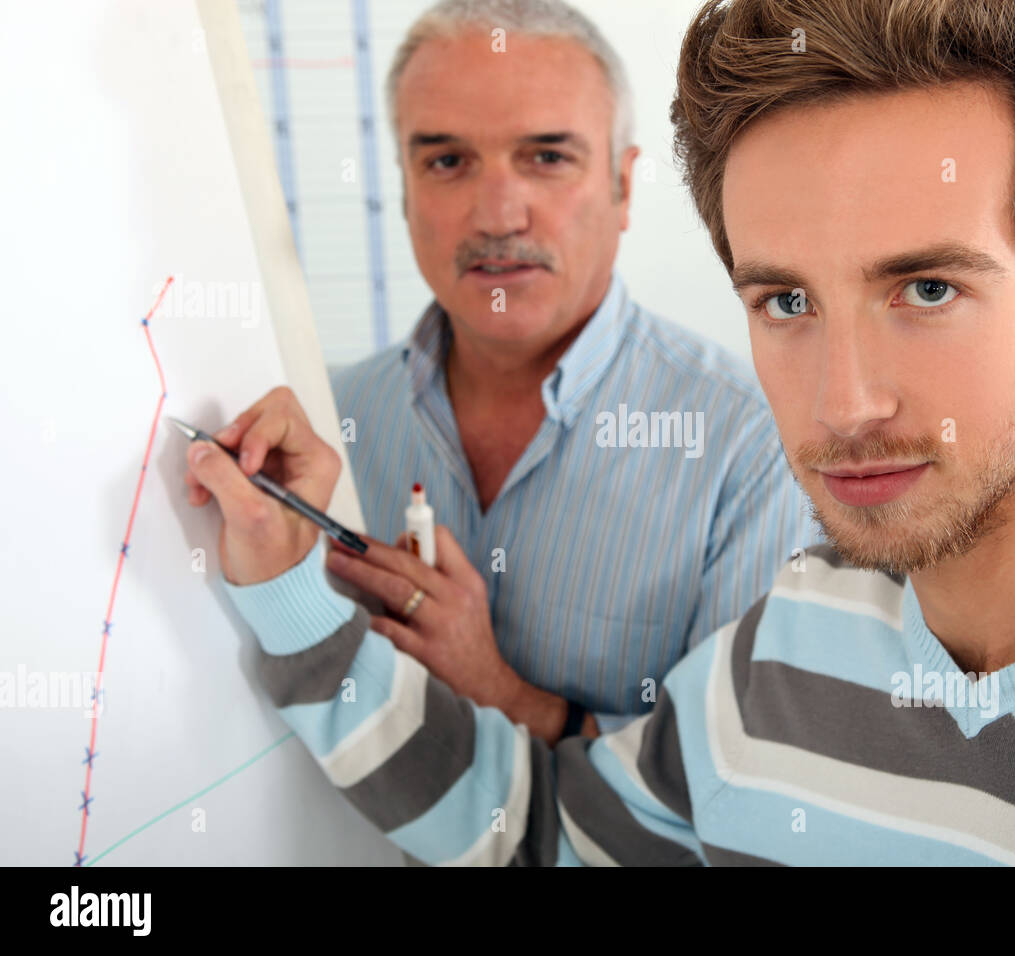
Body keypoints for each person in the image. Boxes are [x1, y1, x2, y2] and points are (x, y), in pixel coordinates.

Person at [188, 0, 1015, 865]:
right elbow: (532, 834)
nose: (841, 404)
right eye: (785, 302)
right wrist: (292, 591)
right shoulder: (788, 640)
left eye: (923, 288)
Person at [185, 0, 816, 747]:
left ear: (622, 187)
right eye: (447, 162)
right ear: (406, 189)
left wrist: (501, 693)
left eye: (547, 157)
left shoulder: (757, 449)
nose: (497, 215)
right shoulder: (325, 428)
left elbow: (737, 805)